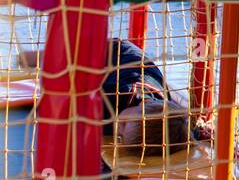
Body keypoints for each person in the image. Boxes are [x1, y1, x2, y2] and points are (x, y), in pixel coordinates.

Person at [20, 37, 192, 158]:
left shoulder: (166, 112)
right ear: (142, 106)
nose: (118, 129)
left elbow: (184, 129)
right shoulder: (113, 98)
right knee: (56, 60)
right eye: (123, 125)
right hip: (108, 53)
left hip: (130, 66)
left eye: (121, 136)